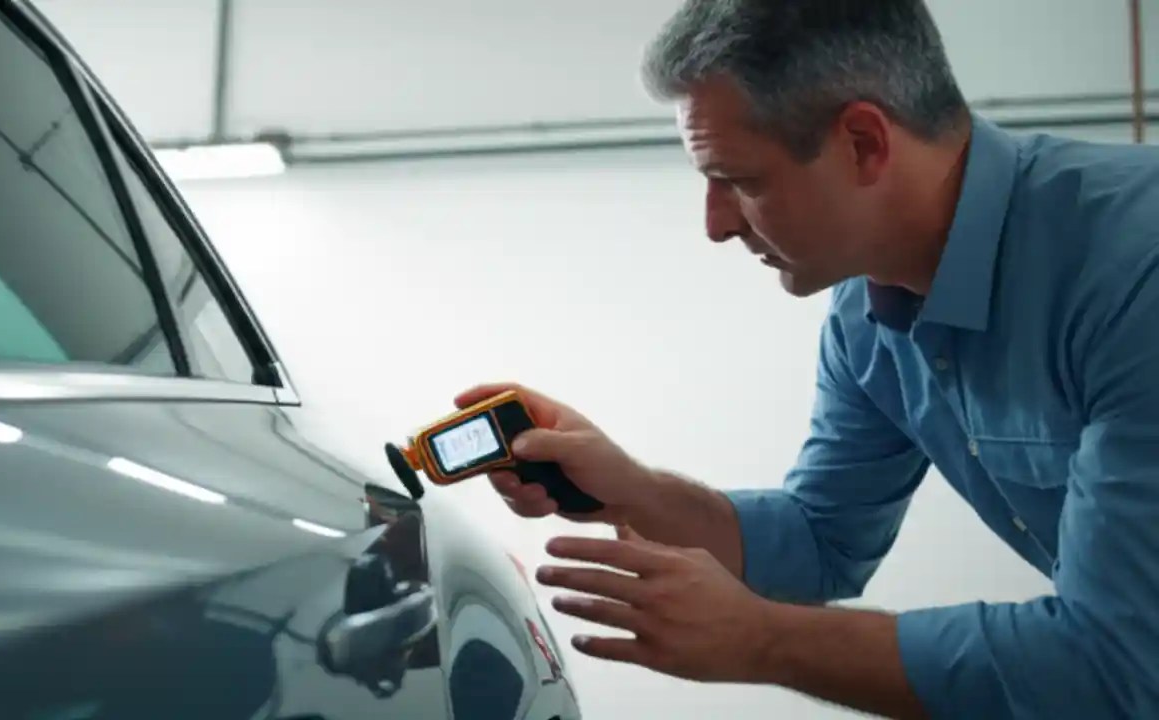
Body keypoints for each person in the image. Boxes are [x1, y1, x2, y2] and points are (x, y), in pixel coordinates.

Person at [454, 0, 1159, 718]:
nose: (716, 225)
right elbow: (824, 541)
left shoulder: (1137, 271)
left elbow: (1113, 667)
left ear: (863, 142)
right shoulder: (867, 314)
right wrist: (631, 489)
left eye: (742, 181)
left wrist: (760, 641)